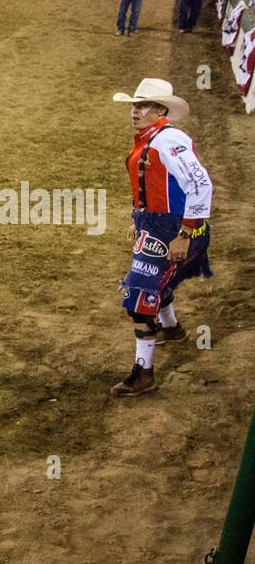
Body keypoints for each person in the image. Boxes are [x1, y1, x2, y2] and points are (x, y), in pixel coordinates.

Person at [108, 79, 213, 397]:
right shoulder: (151, 139)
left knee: (140, 298)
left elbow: (200, 185)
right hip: (156, 226)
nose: (134, 112)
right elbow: (149, 185)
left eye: (142, 106)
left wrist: (184, 234)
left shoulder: (169, 140)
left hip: (173, 229)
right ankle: (171, 329)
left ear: (160, 110)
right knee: (156, 284)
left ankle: (144, 373)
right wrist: (138, 220)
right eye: (134, 106)